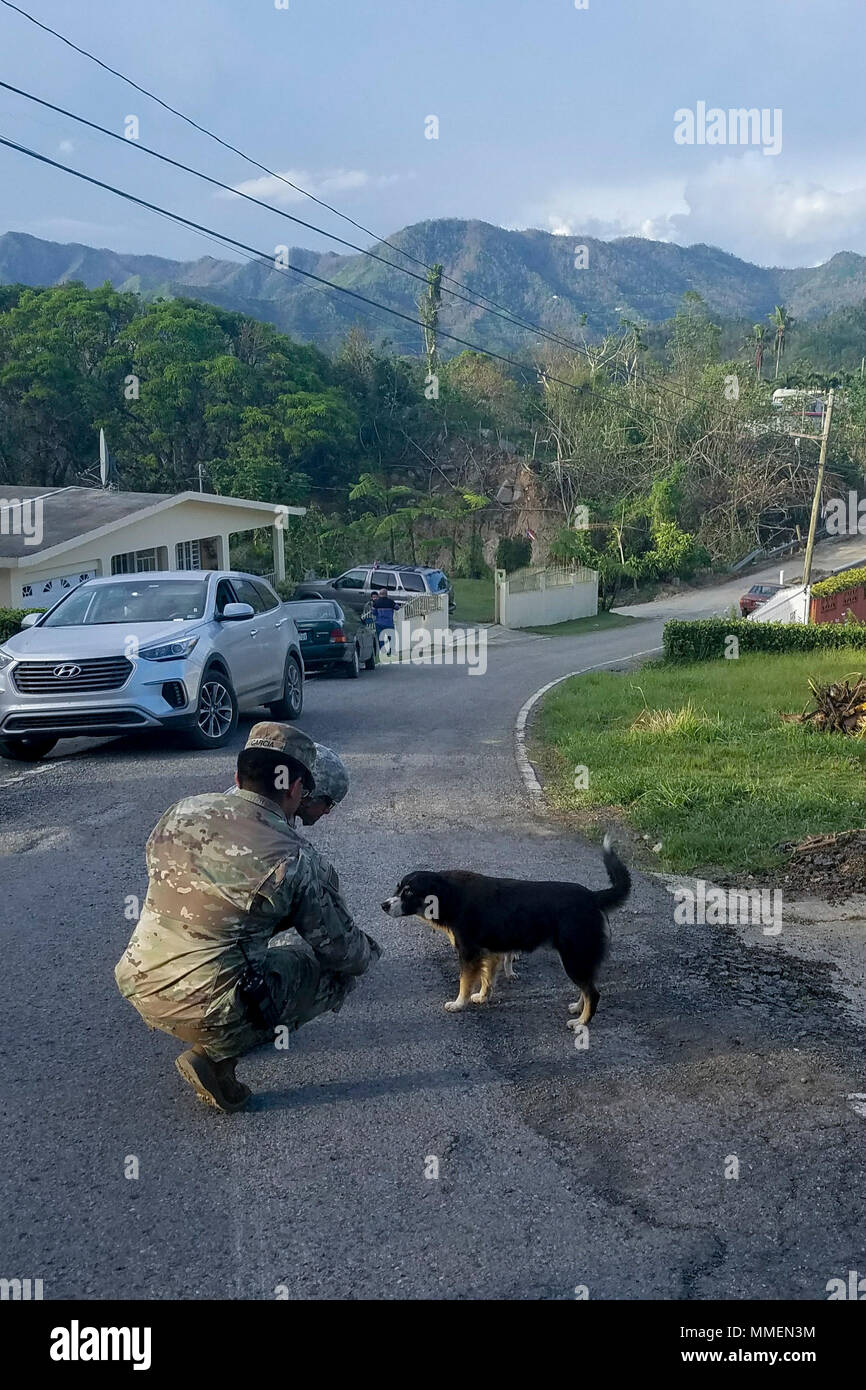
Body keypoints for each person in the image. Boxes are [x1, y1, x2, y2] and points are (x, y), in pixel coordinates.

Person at [114, 723, 380, 1113]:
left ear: (238, 776)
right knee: (335, 975)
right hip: (204, 1004)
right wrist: (371, 953)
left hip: (137, 983)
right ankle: (216, 1052)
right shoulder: (297, 859)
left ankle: (218, 1019)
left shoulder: (180, 811)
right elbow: (343, 952)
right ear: (295, 789)